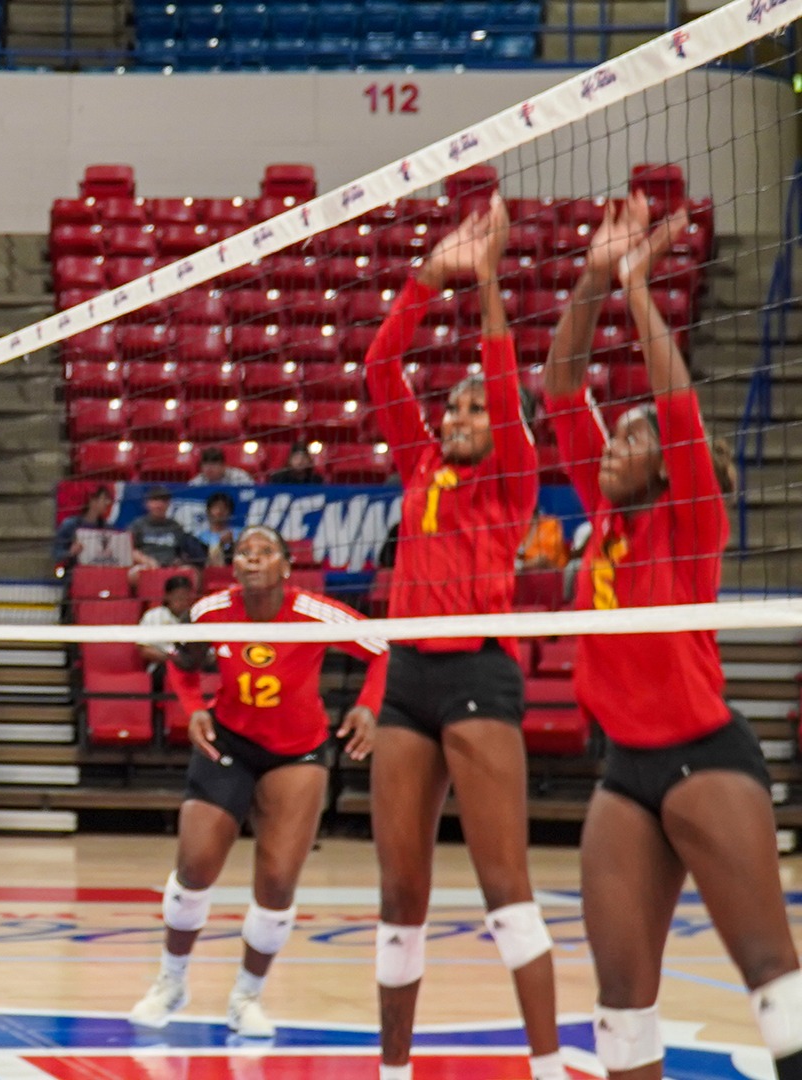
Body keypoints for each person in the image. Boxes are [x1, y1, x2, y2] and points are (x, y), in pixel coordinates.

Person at [542, 195, 802, 1080]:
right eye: (612, 438)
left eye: (631, 438)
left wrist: (641, 289)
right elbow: (558, 385)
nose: (613, 444)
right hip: (627, 770)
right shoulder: (602, 515)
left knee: (769, 972)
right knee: (618, 994)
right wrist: (590, 279)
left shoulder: (690, 517)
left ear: (665, 461)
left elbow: (674, 397)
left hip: (706, 759)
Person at [361, 196, 559, 1080]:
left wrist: (483, 284)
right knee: (400, 894)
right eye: (453, 410)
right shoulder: (420, 466)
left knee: (503, 891)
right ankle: (393, 1070)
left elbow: (500, 366)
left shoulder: (513, 479)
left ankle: (550, 1064)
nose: (457, 416)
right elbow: (379, 367)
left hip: (481, 674)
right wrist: (422, 279)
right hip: (408, 679)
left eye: (474, 409)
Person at [132, 525, 383, 1037]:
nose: (251, 558)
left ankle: (246, 997)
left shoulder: (315, 612)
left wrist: (367, 707)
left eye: (264, 552)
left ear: (285, 567)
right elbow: (183, 667)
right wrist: (194, 708)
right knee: (195, 867)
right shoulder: (210, 611)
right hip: (228, 743)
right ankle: (170, 983)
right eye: (244, 552)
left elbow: (383, 650)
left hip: (297, 753)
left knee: (276, 883)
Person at [128, 488, 206, 570]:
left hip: (170, 567)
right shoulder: (137, 525)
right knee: (135, 573)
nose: (159, 505)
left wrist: (179, 561)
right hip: (146, 566)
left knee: (189, 571)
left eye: (163, 501)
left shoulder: (175, 527)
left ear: (168, 504)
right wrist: (145, 560)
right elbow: (130, 550)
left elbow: (182, 552)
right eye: (155, 500)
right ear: (147, 504)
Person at [135, 574, 197, 671]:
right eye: (179, 597)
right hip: (162, 665)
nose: (183, 602)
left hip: (192, 665)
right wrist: (170, 659)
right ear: (168, 596)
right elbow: (144, 649)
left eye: (186, 597)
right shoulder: (153, 616)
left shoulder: (196, 616)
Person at [54, 486, 117, 570]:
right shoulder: (70, 525)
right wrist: (70, 553)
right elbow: (56, 553)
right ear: (92, 500)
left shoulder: (108, 528)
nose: (108, 502)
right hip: (74, 574)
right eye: (104, 498)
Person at [195, 492, 239, 565]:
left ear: (230, 512)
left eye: (224, 508)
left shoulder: (240, 534)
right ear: (208, 511)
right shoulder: (200, 537)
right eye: (216, 508)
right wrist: (220, 544)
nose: (220, 511)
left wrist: (232, 543)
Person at [188, 446, 255, 487]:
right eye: (205, 464)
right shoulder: (196, 483)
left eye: (214, 464)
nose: (209, 468)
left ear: (223, 466)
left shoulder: (240, 477)